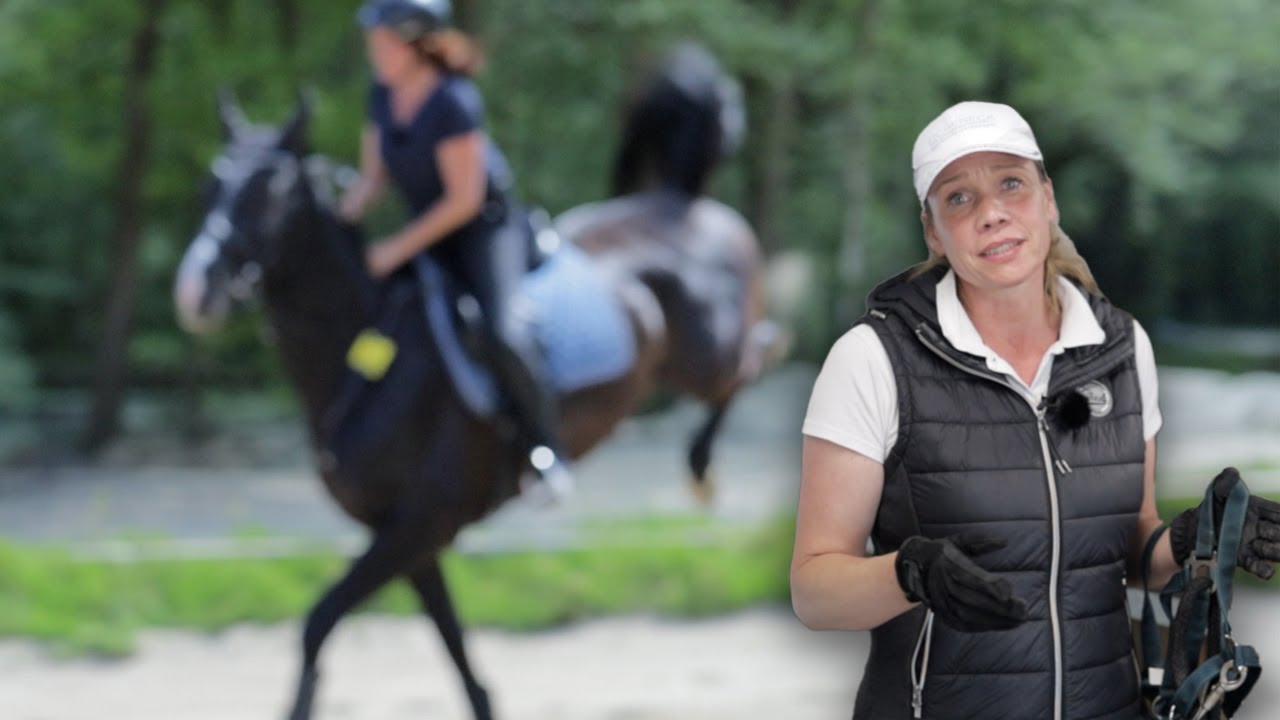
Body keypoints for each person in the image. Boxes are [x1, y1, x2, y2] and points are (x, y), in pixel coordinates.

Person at [789, 101, 1280, 719]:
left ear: (1048, 199)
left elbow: (1123, 555)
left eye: (1011, 183)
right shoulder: (873, 358)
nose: (992, 213)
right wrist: (910, 573)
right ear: (934, 232)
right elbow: (814, 592)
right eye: (959, 198)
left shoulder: (1122, 347)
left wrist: (1189, 541)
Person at [339, 0, 572, 498]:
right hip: (429, 230)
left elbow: (464, 200)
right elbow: (373, 177)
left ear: (414, 44)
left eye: (382, 42)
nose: (374, 52)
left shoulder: (453, 102)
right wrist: (338, 219)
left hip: (483, 231)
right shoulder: (381, 94)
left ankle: (545, 449)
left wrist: (394, 249)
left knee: (504, 330)